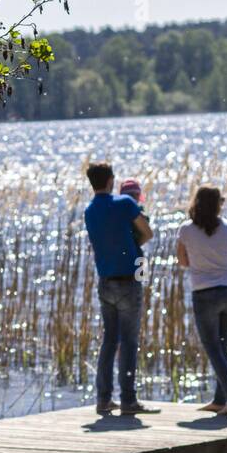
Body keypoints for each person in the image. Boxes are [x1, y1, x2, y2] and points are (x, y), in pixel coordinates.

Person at [83, 163, 155, 414]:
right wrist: (136, 246)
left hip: (105, 282)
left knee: (109, 341)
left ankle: (103, 398)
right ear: (111, 180)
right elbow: (147, 232)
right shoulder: (124, 203)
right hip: (128, 279)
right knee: (129, 341)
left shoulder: (89, 210)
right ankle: (128, 400)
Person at [176, 185, 227, 414]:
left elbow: (183, 261)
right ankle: (219, 401)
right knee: (222, 348)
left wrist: (199, 261)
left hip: (204, 293)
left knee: (213, 348)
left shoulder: (186, 230)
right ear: (217, 205)